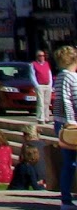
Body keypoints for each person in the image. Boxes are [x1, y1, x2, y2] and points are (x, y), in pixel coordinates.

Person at [54, 43, 77, 209]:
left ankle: (66, 199)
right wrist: (71, 120)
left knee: (68, 163)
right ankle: (67, 199)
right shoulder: (71, 77)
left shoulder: (60, 76)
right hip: (71, 124)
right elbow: (72, 100)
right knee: (71, 163)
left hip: (60, 122)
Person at [35, 50, 55, 125]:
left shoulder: (47, 64)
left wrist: (50, 84)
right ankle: (41, 118)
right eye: (40, 56)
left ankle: (46, 118)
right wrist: (36, 85)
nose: (42, 57)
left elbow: (49, 74)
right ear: (37, 57)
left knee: (47, 102)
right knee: (40, 102)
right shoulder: (34, 64)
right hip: (40, 85)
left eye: (43, 56)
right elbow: (32, 75)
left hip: (47, 85)